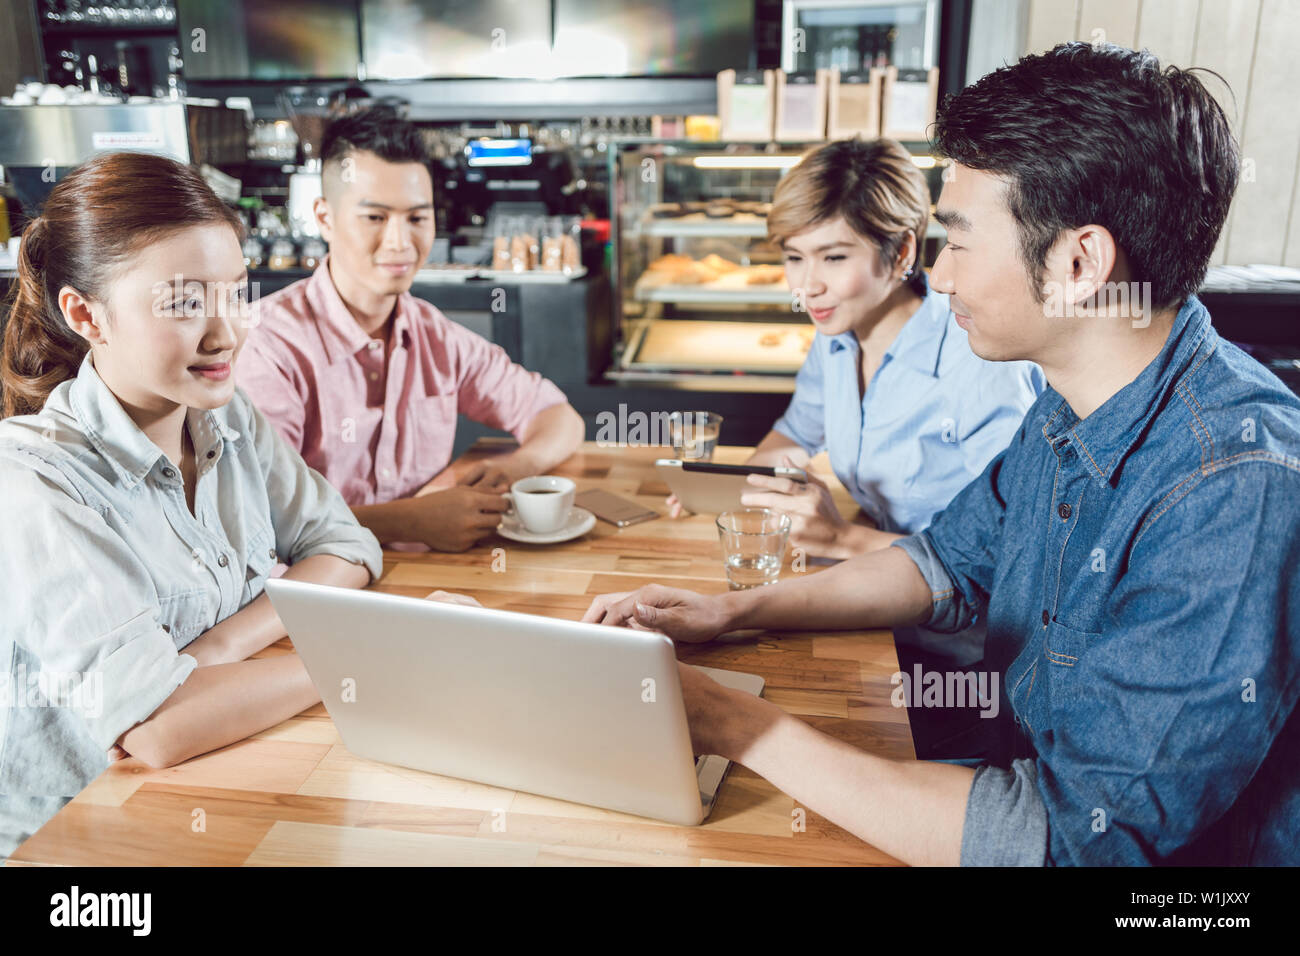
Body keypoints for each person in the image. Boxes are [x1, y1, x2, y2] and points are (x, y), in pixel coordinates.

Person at [583, 43, 1300, 865]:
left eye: (956, 241)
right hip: (1002, 775)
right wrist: (734, 611)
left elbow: (1072, 841)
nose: (939, 276)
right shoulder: (1072, 402)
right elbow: (942, 565)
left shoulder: (1237, 487)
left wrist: (734, 722)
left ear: (1079, 263)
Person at [0, 152, 394, 859]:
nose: (227, 333)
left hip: (212, 791)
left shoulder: (228, 416)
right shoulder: (30, 479)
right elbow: (155, 727)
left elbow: (346, 545)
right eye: (184, 301)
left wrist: (223, 646)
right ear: (86, 315)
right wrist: (380, 654)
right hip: (79, 846)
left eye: (234, 294)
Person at [667, 138, 1045, 561]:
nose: (807, 286)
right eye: (794, 257)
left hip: (962, 619)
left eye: (833, 258)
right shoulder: (836, 336)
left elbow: (1016, 554)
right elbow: (798, 432)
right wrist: (735, 487)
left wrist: (841, 538)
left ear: (901, 251)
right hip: (880, 584)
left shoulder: (982, 362)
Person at [237, 108, 585, 552]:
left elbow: (558, 416)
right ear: (324, 218)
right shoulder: (268, 346)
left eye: (417, 218)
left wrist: (521, 464)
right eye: (375, 218)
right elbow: (263, 518)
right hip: (316, 602)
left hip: (429, 587)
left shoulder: (435, 334)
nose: (401, 242)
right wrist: (406, 523)